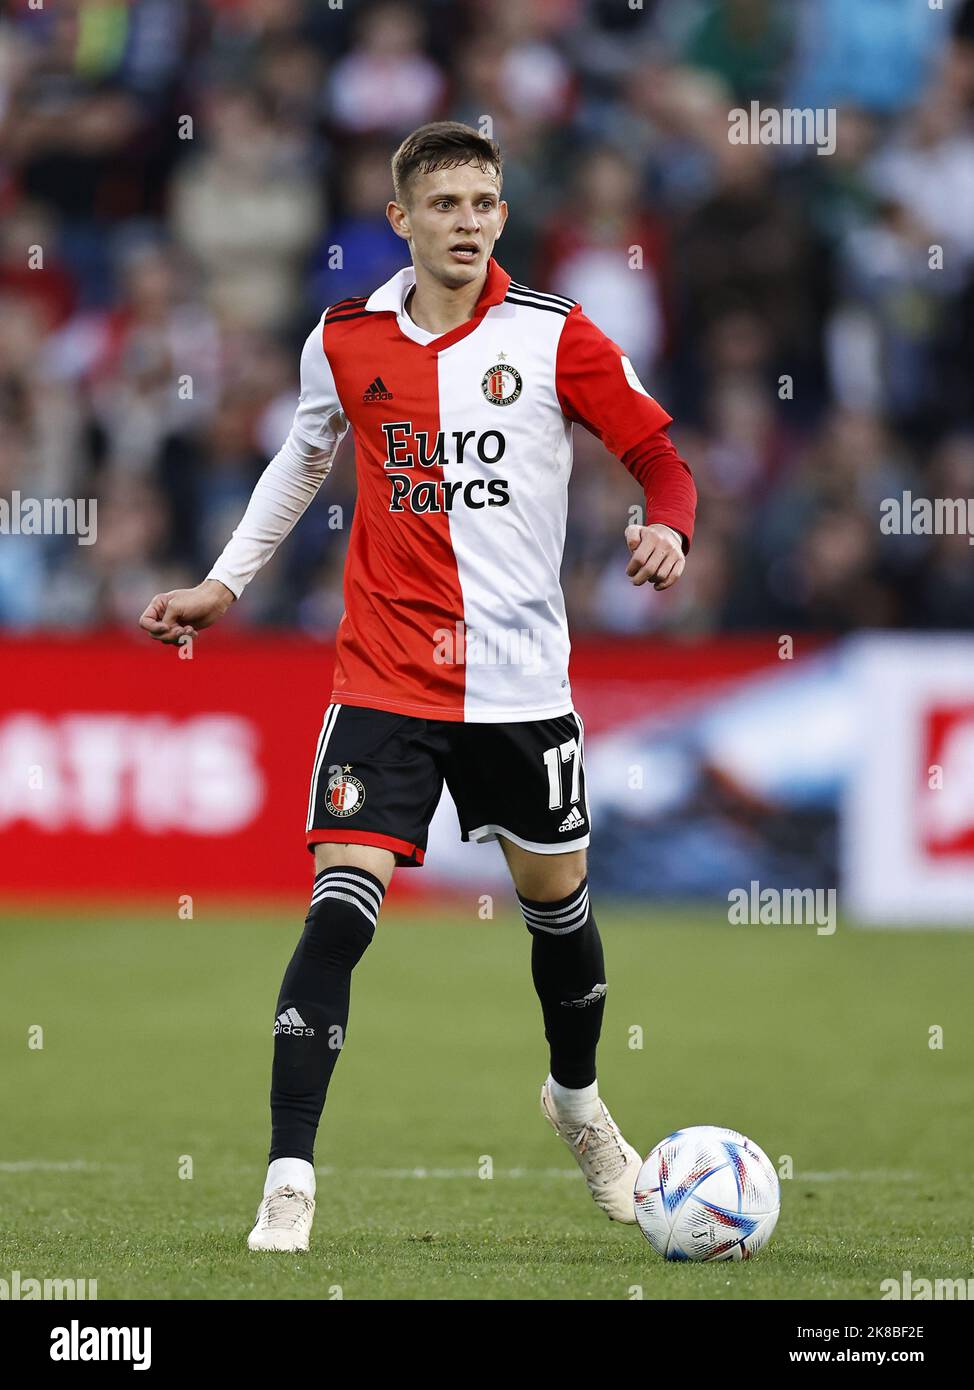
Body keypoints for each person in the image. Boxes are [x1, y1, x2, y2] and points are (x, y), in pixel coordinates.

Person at [139, 121, 697, 1252]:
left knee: (559, 915)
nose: (467, 223)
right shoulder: (345, 339)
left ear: (501, 214)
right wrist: (221, 584)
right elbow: (299, 463)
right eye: (443, 205)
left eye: (483, 203)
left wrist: (669, 531)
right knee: (339, 913)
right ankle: (289, 1174)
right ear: (401, 219)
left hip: (520, 683)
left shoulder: (557, 338)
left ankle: (578, 1104)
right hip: (384, 676)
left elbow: (658, 456)